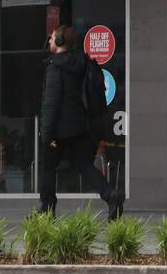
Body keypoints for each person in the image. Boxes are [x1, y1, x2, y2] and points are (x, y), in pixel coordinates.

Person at [38, 25, 124, 219]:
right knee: (84, 165)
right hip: (82, 128)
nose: (49, 41)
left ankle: (46, 209)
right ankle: (111, 195)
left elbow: (51, 103)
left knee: (49, 166)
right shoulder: (84, 62)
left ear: (59, 42)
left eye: (51, 38)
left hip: (59, 132)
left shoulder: (55, 67)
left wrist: (46, 133)